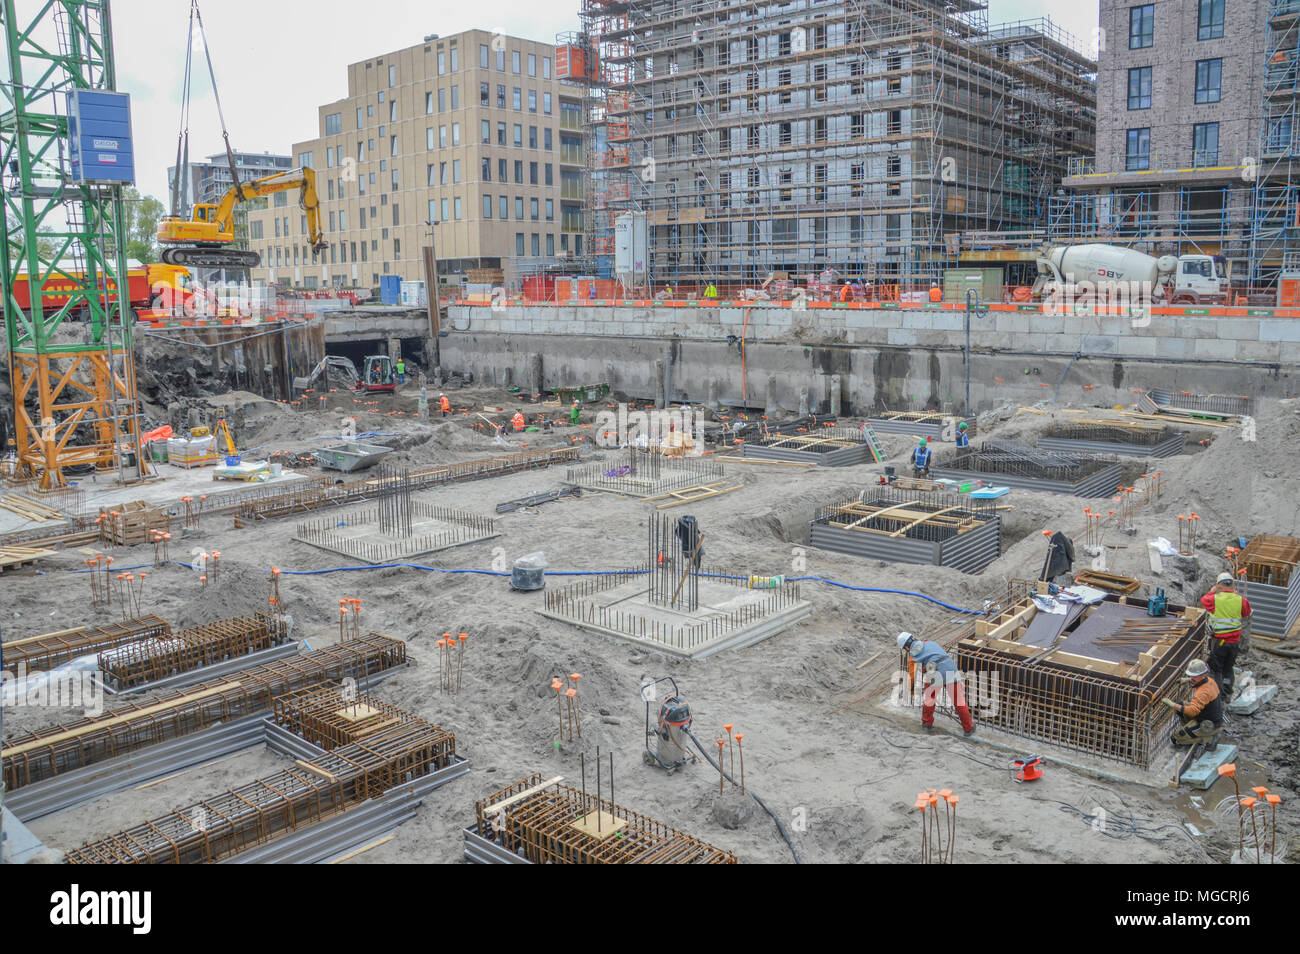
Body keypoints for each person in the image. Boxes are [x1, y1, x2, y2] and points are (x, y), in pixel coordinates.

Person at [898, 632, 974, 735]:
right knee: (959, 701)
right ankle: (969, 728)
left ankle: (927, 723)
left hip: (935, 673)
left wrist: (911, 691)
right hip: (950, 668)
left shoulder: (912, 657)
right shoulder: (929, 643)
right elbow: (937, 654)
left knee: (930, 699)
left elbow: (912, 676)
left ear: (907, 647)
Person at [1200, 572, 1252, 700]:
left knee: (1217, 669)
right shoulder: (1241, 600)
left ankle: (1218, 694)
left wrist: (1212, 591)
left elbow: (1203, 600)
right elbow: (1246, 613)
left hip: (1219, 642)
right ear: (1233, 585)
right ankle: (1227, 692)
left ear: (1219, 585)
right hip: (1234, 642)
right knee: (1228, 668)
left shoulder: (1214, 599)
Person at [1167, 659, 1223, 746]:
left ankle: (1209, 738)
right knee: (1182, 706)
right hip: (1206, 714)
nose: (1192, 678)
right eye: (1190, 675)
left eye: (1194, 676)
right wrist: (1188, 680)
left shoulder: (1203, 692)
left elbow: (1192, 711)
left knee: (1176, 738)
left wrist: (1173, 705)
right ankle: (1191, 731)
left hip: (1208, 724)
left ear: (1203, 675)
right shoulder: (1209, 681)